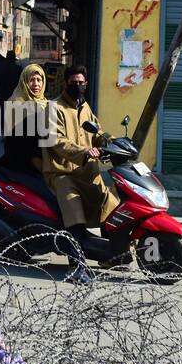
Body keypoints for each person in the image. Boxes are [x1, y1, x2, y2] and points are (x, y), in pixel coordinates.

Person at [42, 64, 118, 285]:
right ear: (65, 83)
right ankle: (76, 265)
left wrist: (112, 142)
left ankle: (113, 255)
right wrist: (84, 153)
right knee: (73, 210)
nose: (78, 86)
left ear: (86, 83)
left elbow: (97, 132)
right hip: (61, 173)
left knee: (111, 204)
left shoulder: (85, 108)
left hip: (87, 171)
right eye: (73, 82)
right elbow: (57, 142)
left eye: (81, 83)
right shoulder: (54, 108)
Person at [1, 62, 49, 172]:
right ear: (24, 81)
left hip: (42, 157)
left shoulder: (45, 103)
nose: (36, 84)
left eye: (39, 80)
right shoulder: (16, 103)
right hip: (21, 159)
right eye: (31, 80)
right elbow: (17, 140)